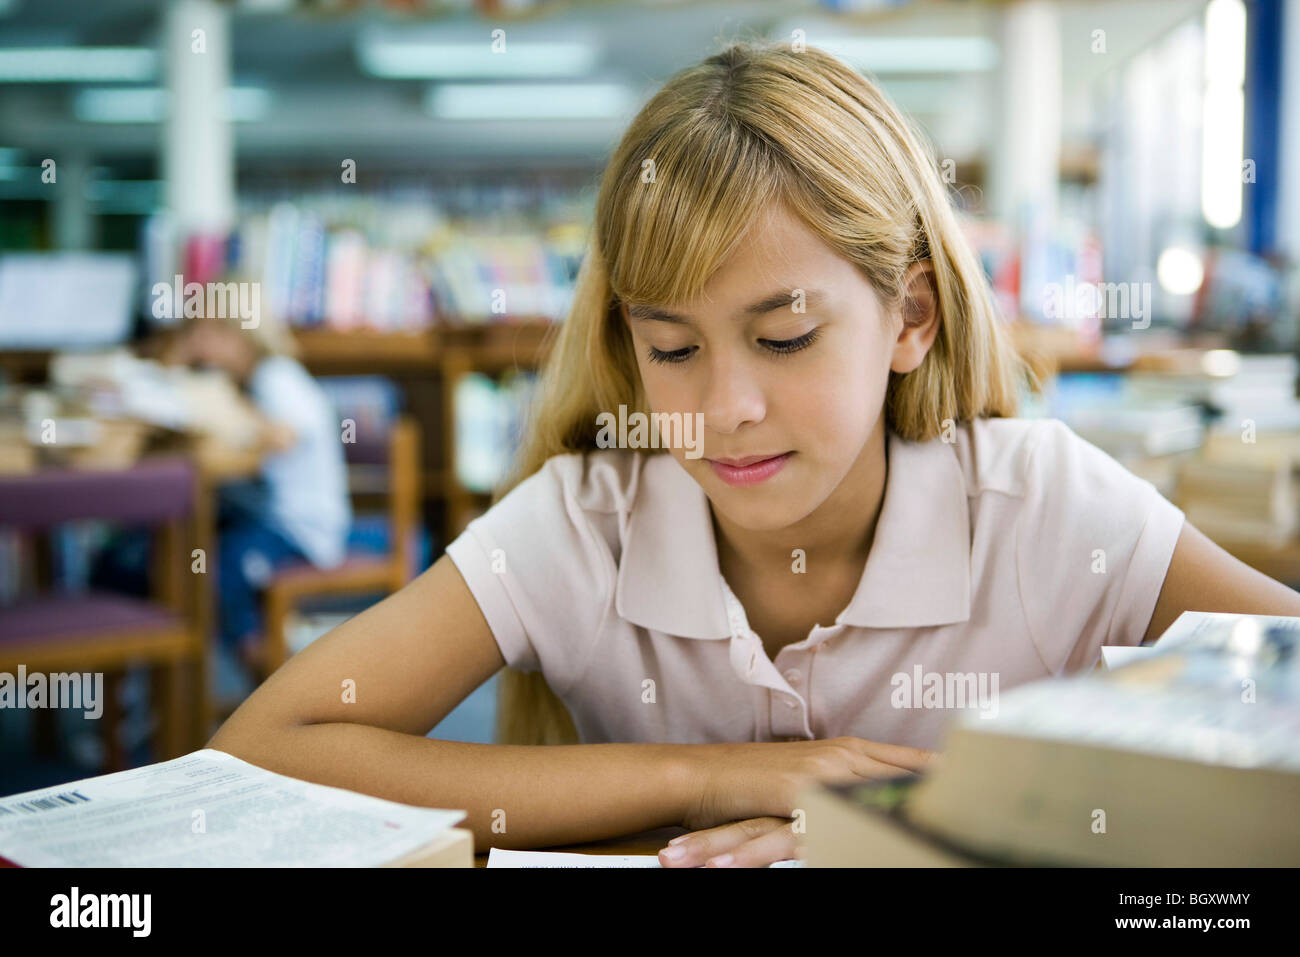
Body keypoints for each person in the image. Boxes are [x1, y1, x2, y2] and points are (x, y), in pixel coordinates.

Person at [208, 41, 1300, 867]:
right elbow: (269, 745)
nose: (723, 408)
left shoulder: (1044, 506)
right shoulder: (584, 521)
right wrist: (711, 778)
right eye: (671, 347)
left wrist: (924, 831)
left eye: (784, 338)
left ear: (908, 319)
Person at [164, 312, 351, 675]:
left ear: (241, 335)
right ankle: (186, 695)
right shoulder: (248, 381)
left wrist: (229, 415)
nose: (201, 343)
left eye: (211, 331)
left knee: (218, 566)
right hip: (262, 515)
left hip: (299, 529)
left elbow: (285, 436)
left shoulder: (276, 376)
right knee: (182, 551)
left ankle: (270, 680)